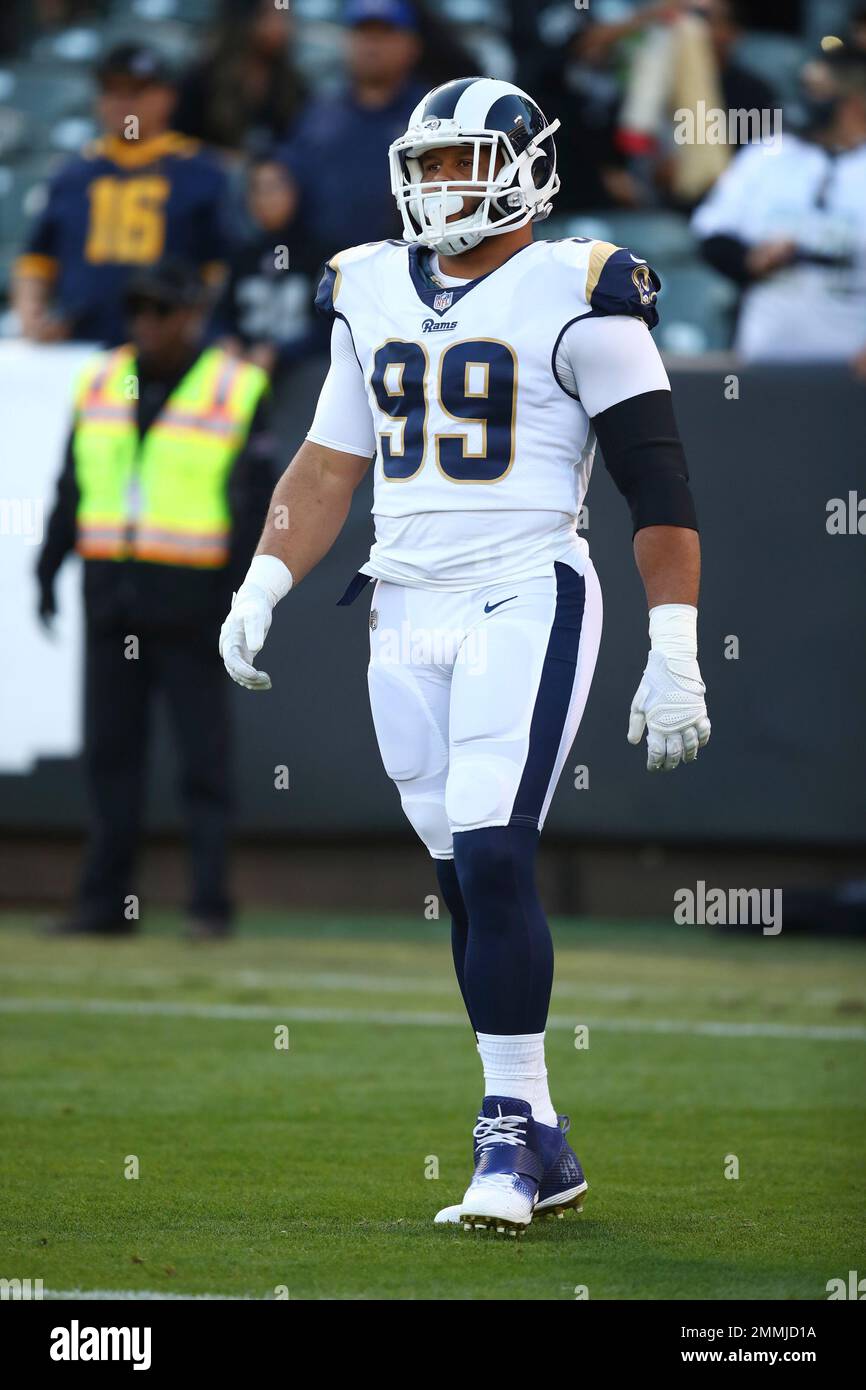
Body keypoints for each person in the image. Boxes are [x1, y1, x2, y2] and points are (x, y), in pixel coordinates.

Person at [219, 77, 711, 1232]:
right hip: (403, 601)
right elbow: (330, 464)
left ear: (528, 166)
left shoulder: (583, 287)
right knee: (458, 873)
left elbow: (658, 484)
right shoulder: (366, 283)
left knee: (493, 850)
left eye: (461, 163)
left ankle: (503, 1136)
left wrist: (676, 642)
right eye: (428, 165)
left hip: (522, 587)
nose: (442, 186)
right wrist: (264, 580)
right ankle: (539, 1133)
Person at [37, 259, 275, 941]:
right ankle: (105, 906)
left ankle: (209, 906)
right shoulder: (101, 378)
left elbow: (255, 499)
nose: (146, 323)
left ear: (192, 314)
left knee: (203, 762)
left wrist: (240, 592)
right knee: (112, 758)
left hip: (192, 602)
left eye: (160, 311)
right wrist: (49, 567)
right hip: (112, 596)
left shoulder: (234, 385)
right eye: (138, 310)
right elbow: (72, 482)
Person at [13, 43, 232, 346]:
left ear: (166, 97)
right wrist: (31, 314)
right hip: (77, 347)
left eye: (134, 91)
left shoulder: (200, 171)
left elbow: (220, 268)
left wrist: (199, 325)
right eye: (110, 90)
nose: (120, 102)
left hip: (167, 355)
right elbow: (37, 260)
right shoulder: (73, 173)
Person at [693, 48, 866, 368]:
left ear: (855, 102)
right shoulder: (766, 155)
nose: (804, 101)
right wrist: (752, 259)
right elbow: (711, 235)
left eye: (818, 92)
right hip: (765, 358)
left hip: (851, 370)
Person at [277, 0, 430, 265]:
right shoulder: (319, 110)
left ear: (412, 45)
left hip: (404, 267)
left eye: (384, 34)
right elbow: (289, 184)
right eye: (363, 33)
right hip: (321, 269)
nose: (371, 45)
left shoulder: (430, 112)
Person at [213, 158, 325, 385]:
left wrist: (280, 353)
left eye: (274, 187)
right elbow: (219, 318)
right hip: (244, 377)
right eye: (257, 189)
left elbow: (329, 329)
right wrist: (226, 341)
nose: (265, 199)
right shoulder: (242, 256)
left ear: (296, 190)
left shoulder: (323, 255)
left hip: (305, 379)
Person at [173, 0, 307, 155]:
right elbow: (179, 142)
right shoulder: (202, 79)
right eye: (272, 15)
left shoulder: (294, 87)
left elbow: (297, 150)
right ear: (246, 19)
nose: (283, 26)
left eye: (286, 16)